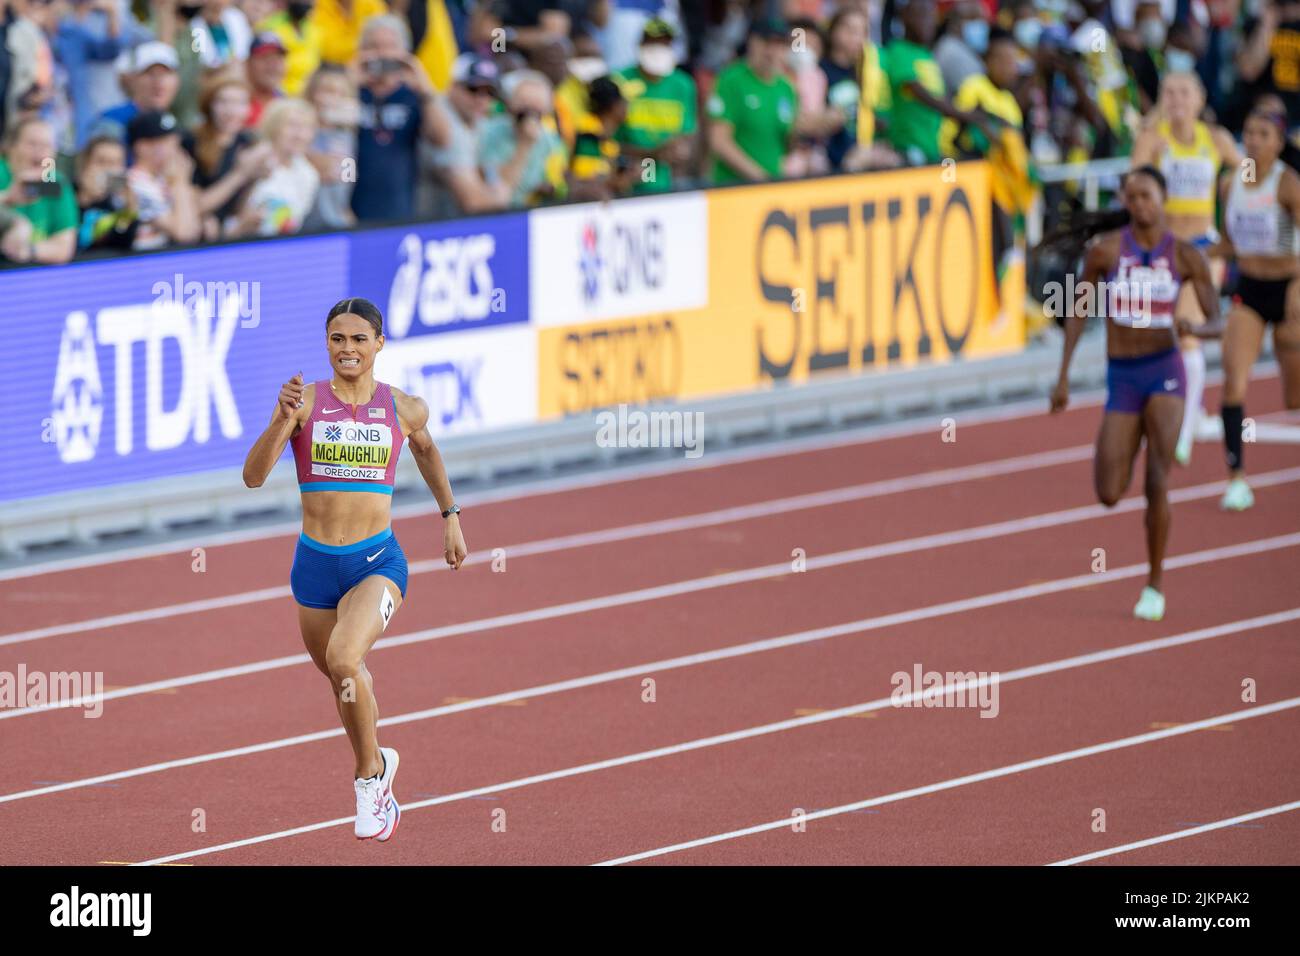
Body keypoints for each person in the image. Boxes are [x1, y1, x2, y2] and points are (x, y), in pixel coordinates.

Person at [241, 296, 469, 842]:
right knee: (344, 681)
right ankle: (380, 762)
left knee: (345, 657)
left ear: (379, 344)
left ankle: (369, 780)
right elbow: (252, 477)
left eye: (359, 339)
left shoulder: (403, 408)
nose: (348, 349)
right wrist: (279, 419)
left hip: (377, 562)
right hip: (314, 568)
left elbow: (428, 451)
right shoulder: (303, 404)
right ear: (327, 343)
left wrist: (450, 515)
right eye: (338, 339)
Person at [1051, 166, 1221, 621]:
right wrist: (1063, 376)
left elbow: (1218, 320)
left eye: (1147, 195)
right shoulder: (1106, 252)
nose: (1140, 204)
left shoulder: (1186, 256)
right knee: (1108, 491)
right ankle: (1128, 455)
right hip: (1122, 377)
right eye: (1132, 197)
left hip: (1164, 372)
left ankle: (1154, 583)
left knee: (1157, 480)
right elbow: (1077, 312)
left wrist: (1196, 328)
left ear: (1163, 198)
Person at [1130, 71, 1241, 466]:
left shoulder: (1216, 140)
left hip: (1203, 250)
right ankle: (1186, 412)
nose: (1176, 99)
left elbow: (1250, 173)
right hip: (1162, 251)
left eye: (1183, 92)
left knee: (1188, 329)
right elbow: (1132, 184)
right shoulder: (1153, 138)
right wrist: (1148, 158)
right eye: (1169, 92)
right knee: (1161, 336)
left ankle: (1182, 430)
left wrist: (1233, 191)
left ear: (1199, 97)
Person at [1214, 108, 1300, 511]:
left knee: (1293, 398)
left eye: (1262, 133)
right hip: (1249, 288)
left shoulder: (1288, 185)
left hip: (1289, 289)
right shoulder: (1231, 185)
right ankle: (1236, 479)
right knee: (1234, 380)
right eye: (1247, 132)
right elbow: (1230, 244)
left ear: (1278, 142)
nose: (1252, 140)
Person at [349, 14, 450, 222]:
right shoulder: (351, 90)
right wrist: (348, 84)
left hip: (399, 205)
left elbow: (443, 140)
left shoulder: (413, 95)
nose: (382, 54)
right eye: (373, 46)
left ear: (405, 53)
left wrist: (425, 89)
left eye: (390, 46)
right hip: (349, 207)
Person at [706, 16, 800, 184]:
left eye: (780, 44)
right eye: (767, 43)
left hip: (772, 187)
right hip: (733, 186)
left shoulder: (786, 88)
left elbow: (786, 142)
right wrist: (759, 177)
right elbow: (719, 141)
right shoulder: (731, 80)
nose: (773, 51)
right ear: (752, 42)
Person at [613, 16, 696, 194]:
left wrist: (679, 149)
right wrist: (651, 153)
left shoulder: (683, 85)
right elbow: (607, 138)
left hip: (667, 177)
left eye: (665, 44)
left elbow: (686, 133)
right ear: (641, 45)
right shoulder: (619, 80)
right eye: (653, 43)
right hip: (628, 173)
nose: (659, 50)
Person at [228, 96, 319, 236]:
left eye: (306, 128)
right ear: (274, 127)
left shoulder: (308, 174)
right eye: (292, 126)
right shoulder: (251, 157)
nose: (300, 135)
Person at [0, 117, 79, 264]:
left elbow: (64, 247)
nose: (40, 152)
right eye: (32, 144)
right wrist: (7, 199)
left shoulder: (55, 183)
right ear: (10, 147)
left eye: (46, 146)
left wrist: (28, 250)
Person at [125, 109, 201, 249]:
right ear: (142, 146)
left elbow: (195, 229)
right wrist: (181, 182)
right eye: (166, 141)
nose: (175, 149)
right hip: (146, 265)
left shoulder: (162, 179)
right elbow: (184, 234)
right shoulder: (135, 184)